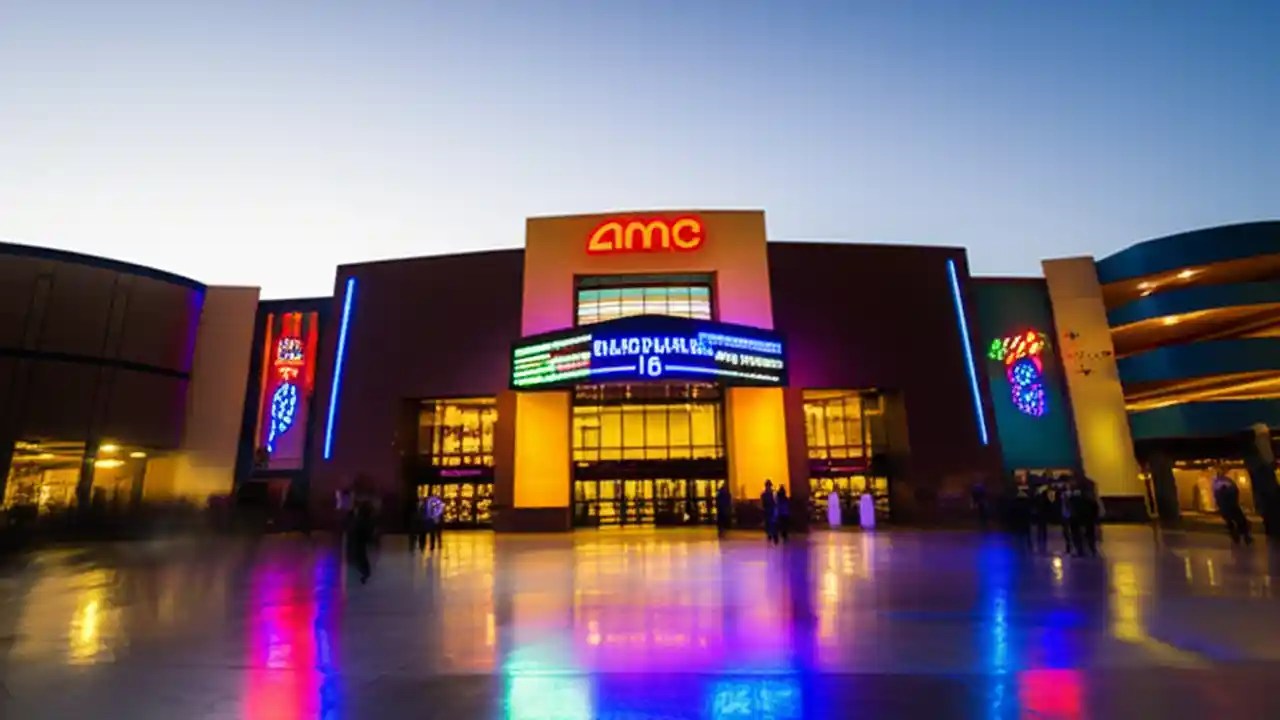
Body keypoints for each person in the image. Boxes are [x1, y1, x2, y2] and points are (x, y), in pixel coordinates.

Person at [1212, 469, 1253, 546]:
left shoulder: (1217, 484)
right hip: (1232, 506)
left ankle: (1237, 536)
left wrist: (1220, 504)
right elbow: (1235, 491)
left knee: (1231, 522)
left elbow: (1217, 496)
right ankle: (1244, 536)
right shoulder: (1227, 482)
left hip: (1226, 507)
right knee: (1240, 521)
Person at [346, 498, 376, 584]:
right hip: (359, 541)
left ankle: (363, 572)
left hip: (358, 540)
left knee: (360, 556)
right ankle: (364, 572)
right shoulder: (365, 520)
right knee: (360, 556)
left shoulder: (360, 520)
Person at [1069, 476, 1099, 557]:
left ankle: (1081, 549)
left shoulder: (1074, 494)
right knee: (1089, 532)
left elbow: (1071, 503)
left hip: (1079, 515)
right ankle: (1091, 549)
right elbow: (1094, 505)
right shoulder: (1089, 497)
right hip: (1087, 514)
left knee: (1078, 532)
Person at [1031, 483, 1052, 553]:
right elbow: (1049, 505)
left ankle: (1040, 544)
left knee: (1040, 530)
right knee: (1042, 530)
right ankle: (1042, 544)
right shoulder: (1043, 498)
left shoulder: (1037, 497)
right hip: (1043, 515)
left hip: (1040, 515)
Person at [761, 480, 778, 545]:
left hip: (771, 511)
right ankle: (771, 536)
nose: (768, 487)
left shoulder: (772, 494)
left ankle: (773, 536)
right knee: (769, 524)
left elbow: (775, 503)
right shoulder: (765, 494)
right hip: (768, 511)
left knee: (772, 524)